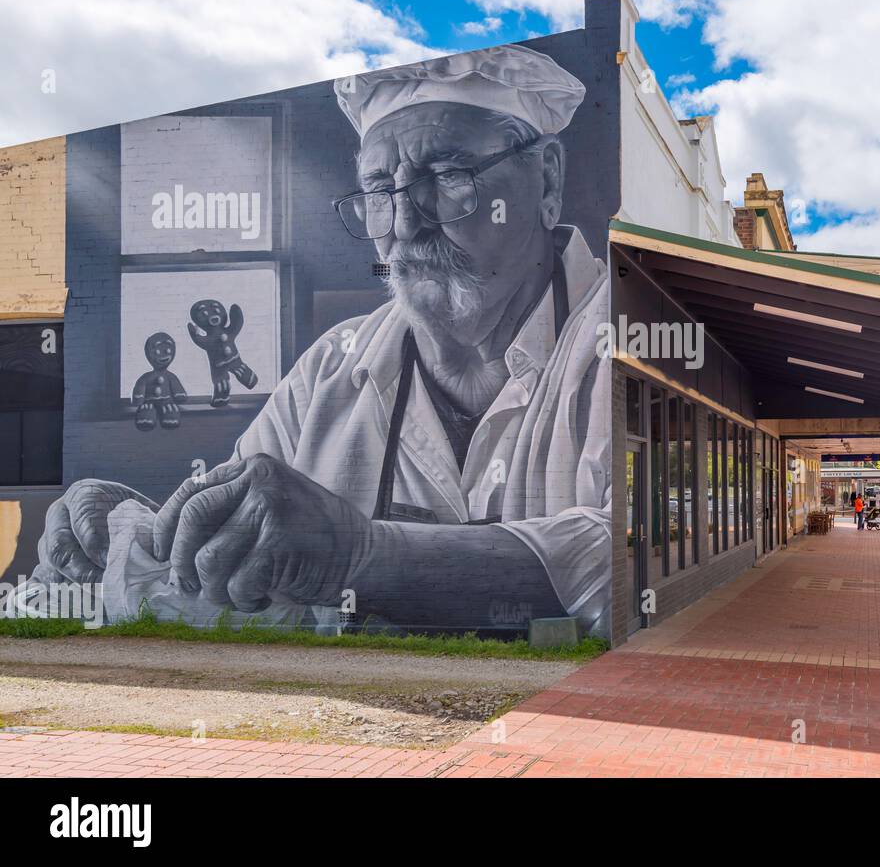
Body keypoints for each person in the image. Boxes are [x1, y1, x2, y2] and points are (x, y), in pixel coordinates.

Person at [35, 45, 613, 637]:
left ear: (546, 179)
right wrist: (151, 531)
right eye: (381, 191)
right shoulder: (329, 372)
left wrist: (360, 558)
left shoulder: (629, 344)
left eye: (447, 178)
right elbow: (242, 545)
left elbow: (634, 556)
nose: (406, 226)